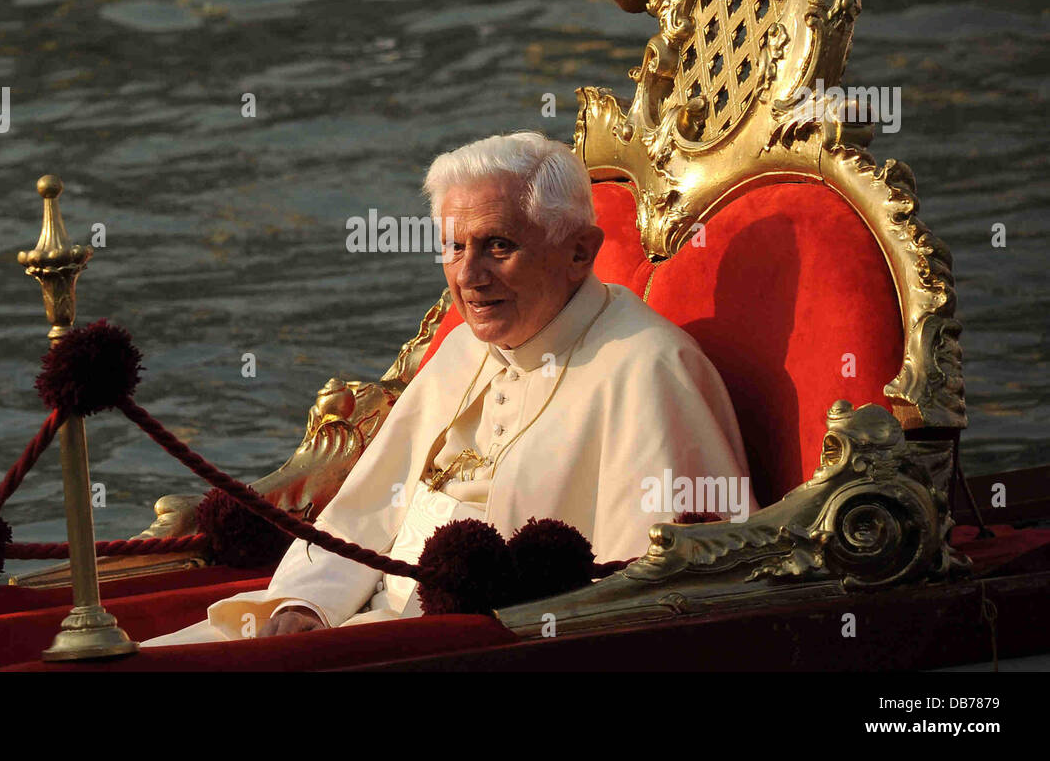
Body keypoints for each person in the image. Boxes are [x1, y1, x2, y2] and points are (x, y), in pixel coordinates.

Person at [143, 131, 753, 645]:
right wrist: (306, 605)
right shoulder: (468, 346)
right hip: (368, 619)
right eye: (454, 247)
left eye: (498, 246)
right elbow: (368, 505)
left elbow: (657, 596)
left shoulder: (650, 369)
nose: (468, 275)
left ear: (579, 252)